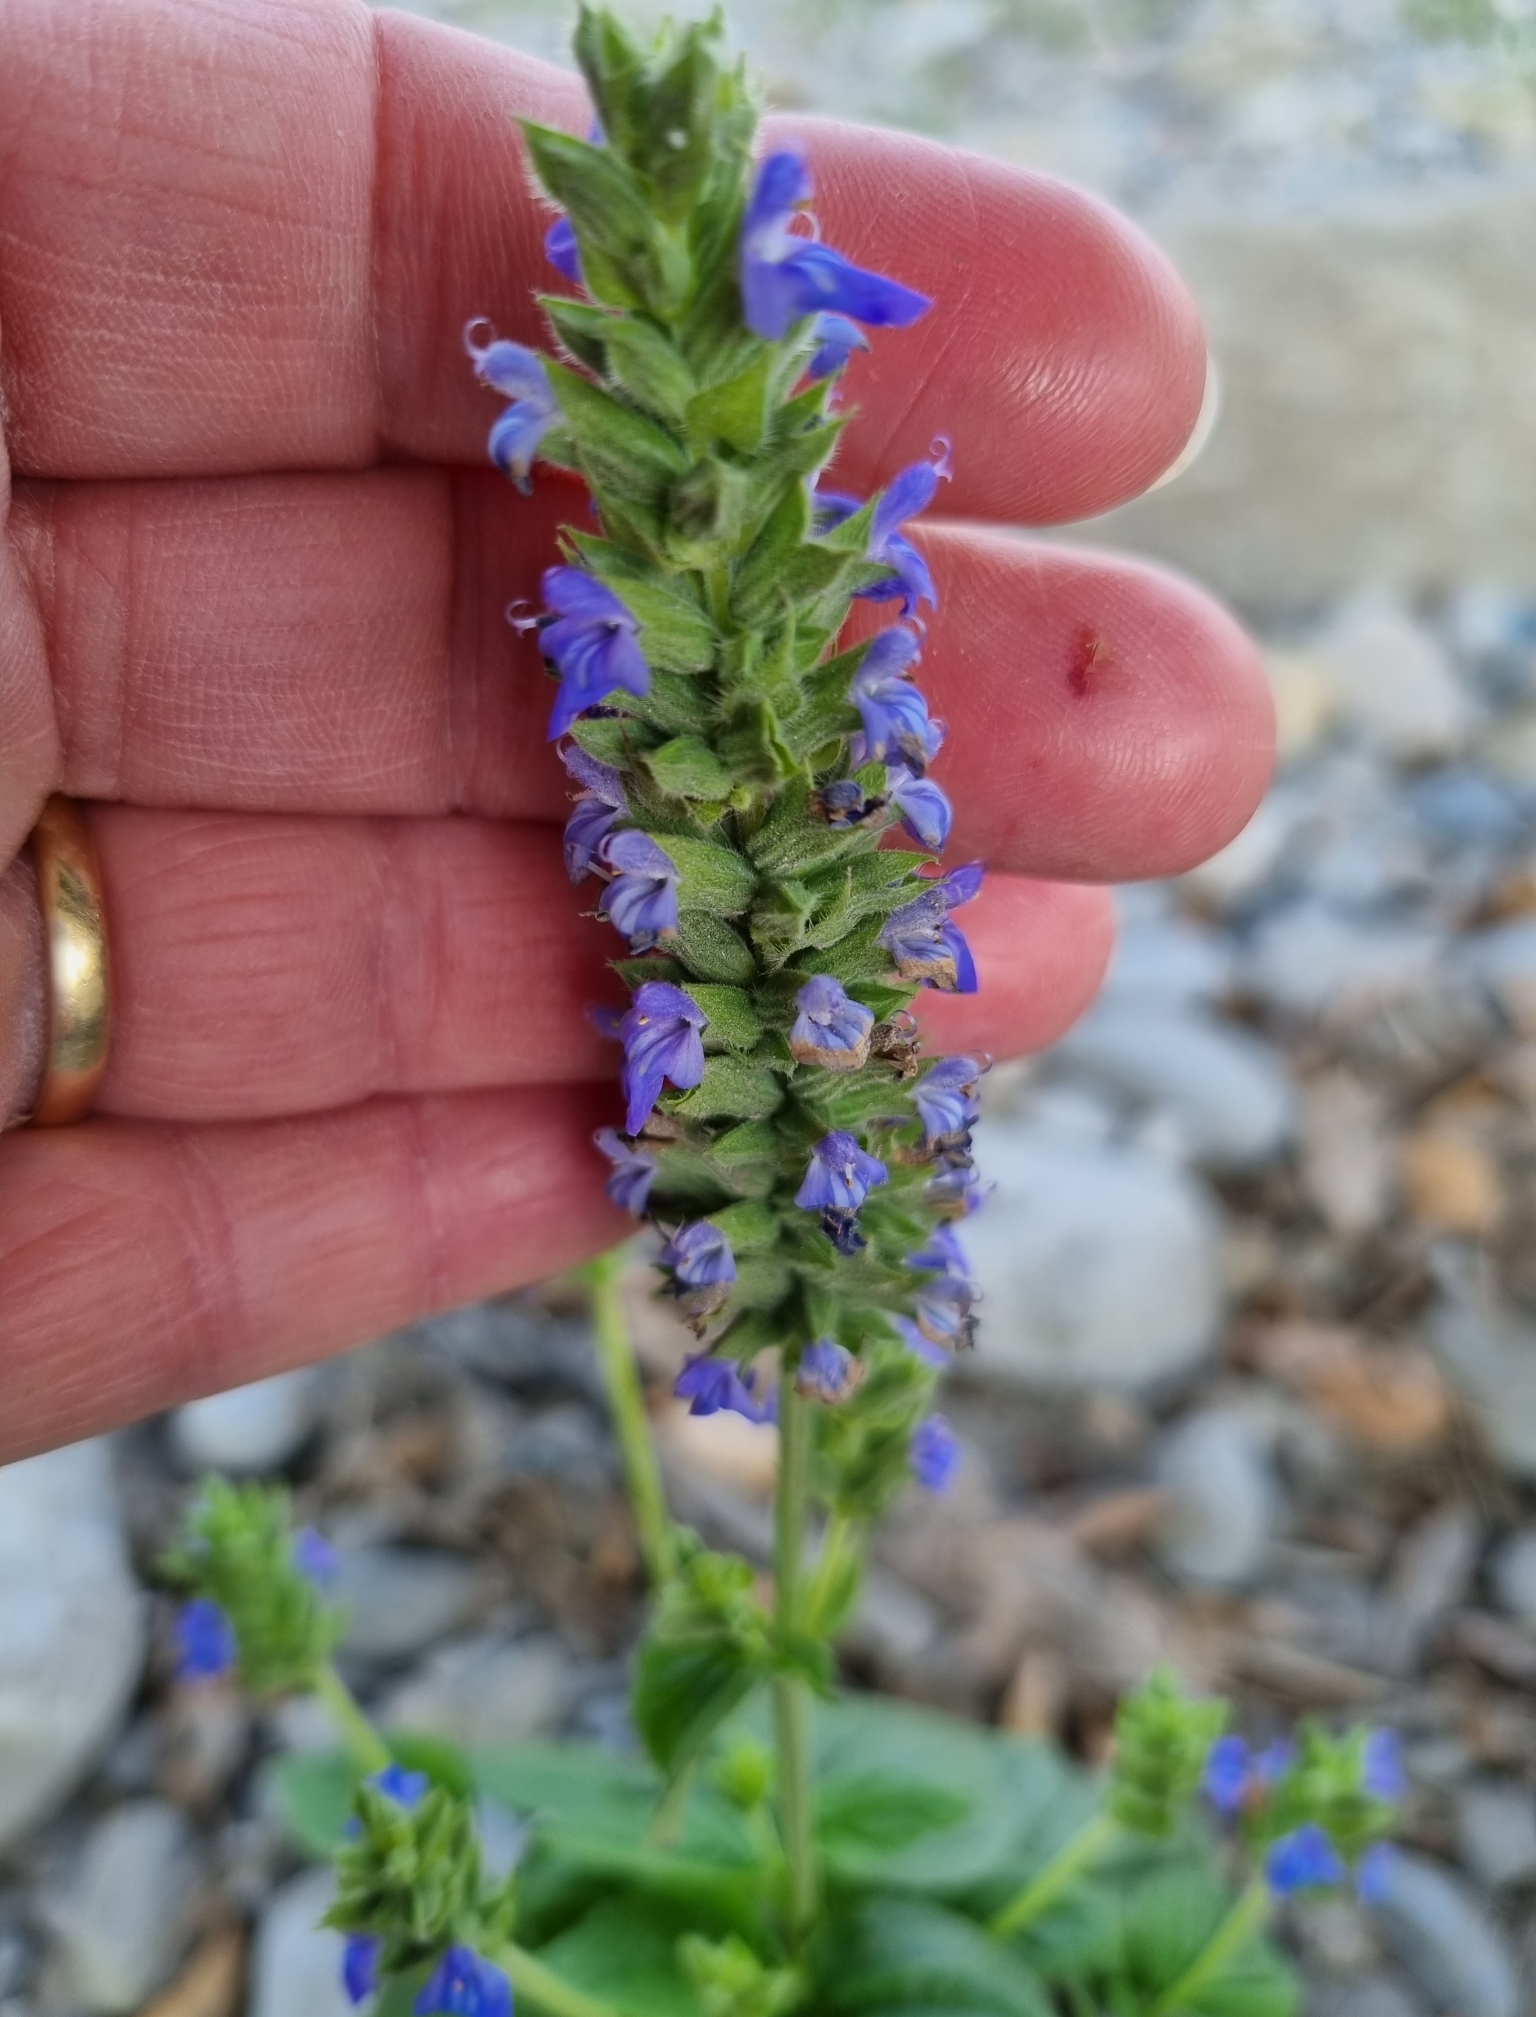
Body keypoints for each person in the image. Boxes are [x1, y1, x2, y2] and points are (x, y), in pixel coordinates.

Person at [0, 0, 1273, 1462]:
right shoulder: (651, 650)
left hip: (778, 899)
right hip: (730, 883)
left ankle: (841, 1312)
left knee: (792, 987)